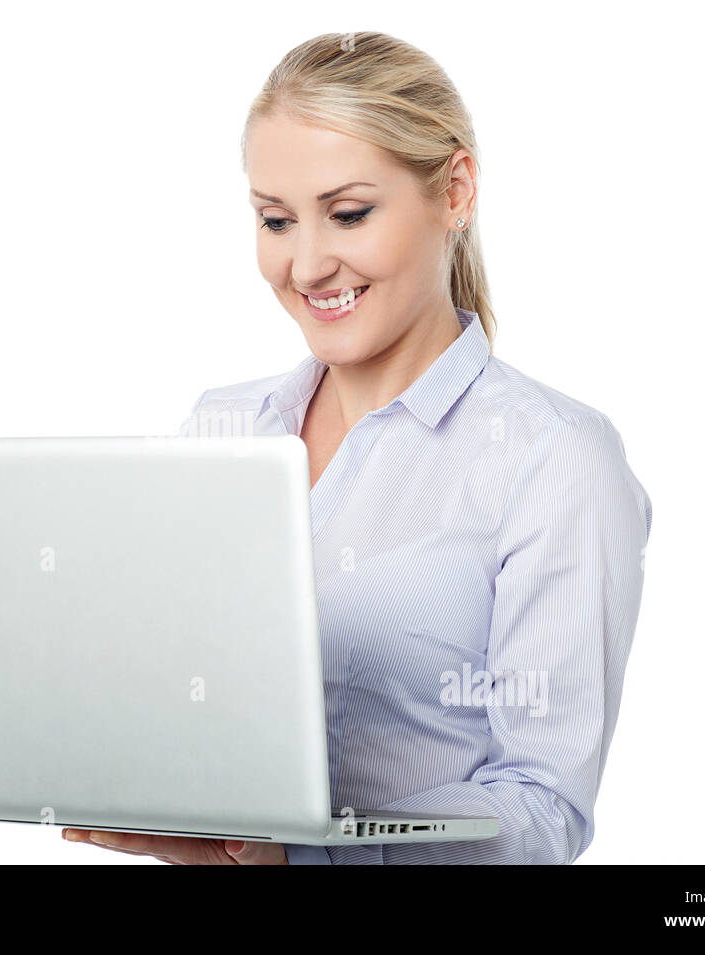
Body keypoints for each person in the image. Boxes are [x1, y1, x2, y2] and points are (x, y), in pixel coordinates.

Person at [63, 30, 652, 865]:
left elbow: (541, 808)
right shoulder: (222, 429)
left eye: (348, 214)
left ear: (454, 190)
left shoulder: (553, 460)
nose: (305, 265)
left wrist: (300, 858)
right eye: (275, 220)